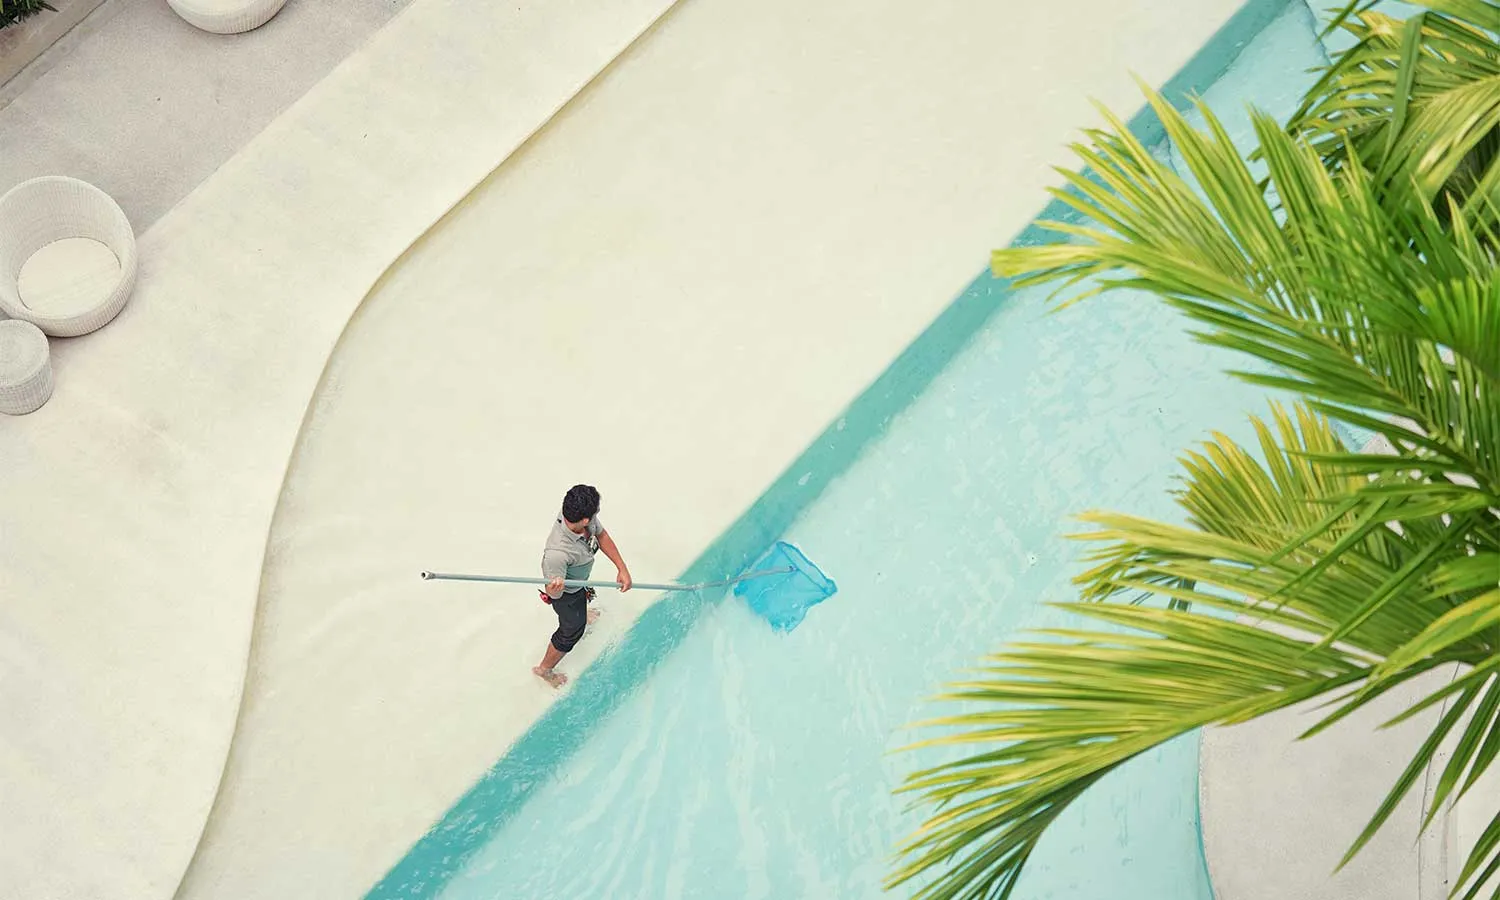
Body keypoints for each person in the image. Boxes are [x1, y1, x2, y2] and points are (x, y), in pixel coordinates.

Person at [533, 484, 632, 687]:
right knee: (571, 631)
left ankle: (584, 613)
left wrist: (621, 567)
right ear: (584, 519)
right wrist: (555, 587)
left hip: (579, 583)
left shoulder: (582, 519)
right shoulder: (557, 554)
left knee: (581, 602)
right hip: (566, 596)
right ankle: (544, 670)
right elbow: (553, 595)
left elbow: (602, 536)